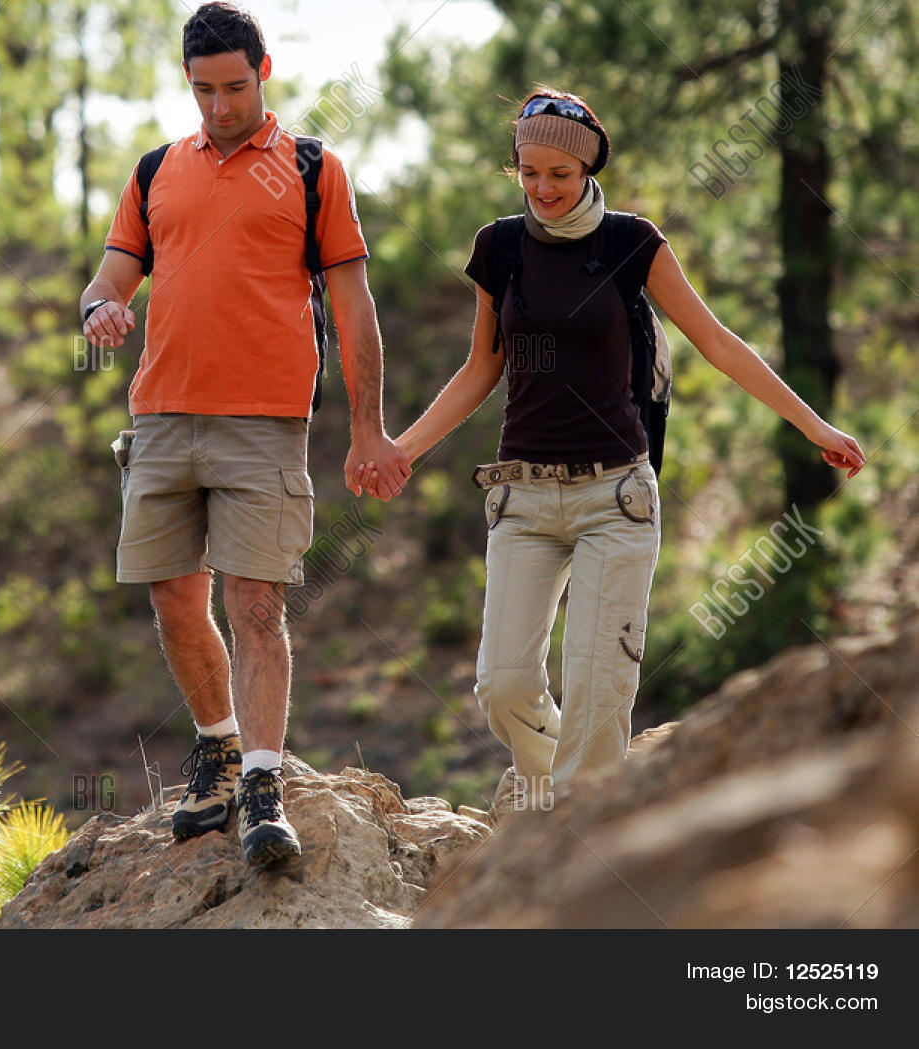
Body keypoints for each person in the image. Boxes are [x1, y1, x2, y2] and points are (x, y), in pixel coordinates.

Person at [362, 87, 865, 810]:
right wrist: (400, 450)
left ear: (589, 167)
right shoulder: (498, 247)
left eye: (559, 175)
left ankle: (571, 830)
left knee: (600, 692)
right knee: (502, 686)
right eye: (528, 173)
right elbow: (482, 367)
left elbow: (718, 342)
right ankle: (563, 793)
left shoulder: (631, 242)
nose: (543, 188)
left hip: (615, 496)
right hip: (523, 495)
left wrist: (814, 425)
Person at [79, 2, 410, 867]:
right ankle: (218, 747)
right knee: (173, 599)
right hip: (158, 417)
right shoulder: (156, 170)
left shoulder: (311, 168)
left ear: (264, 72)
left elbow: (354, 306)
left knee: (257, 604)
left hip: (264, 422)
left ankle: (265, 781)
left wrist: (369, 428)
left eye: (234, 87)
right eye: (203, 90)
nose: (220, 106)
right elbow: (113, 272)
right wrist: (102, 305)